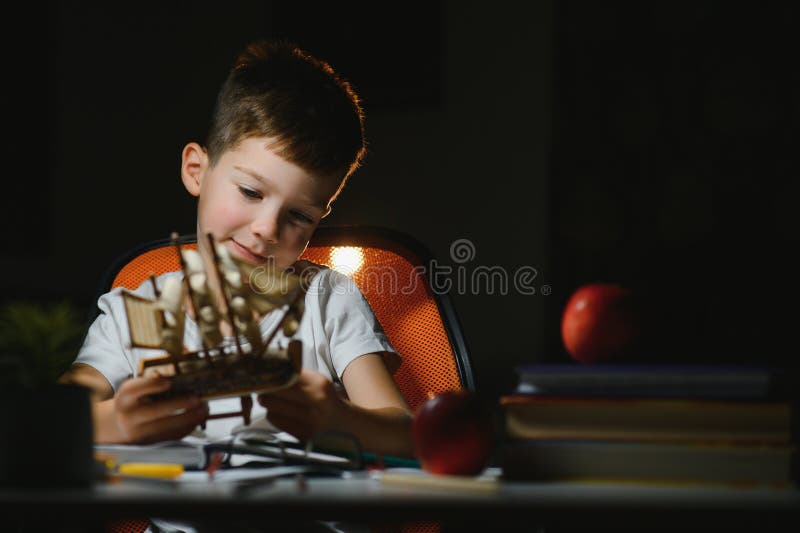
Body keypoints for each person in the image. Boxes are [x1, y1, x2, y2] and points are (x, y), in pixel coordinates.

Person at [59, 39, 414, 460]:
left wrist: (341, 421)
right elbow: (48, 419)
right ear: (196, 172)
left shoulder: (327, 300)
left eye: (299, 215)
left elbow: (408, 436)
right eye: (250, 191)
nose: (266, 229)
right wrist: (114, 422)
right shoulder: (133, 315)